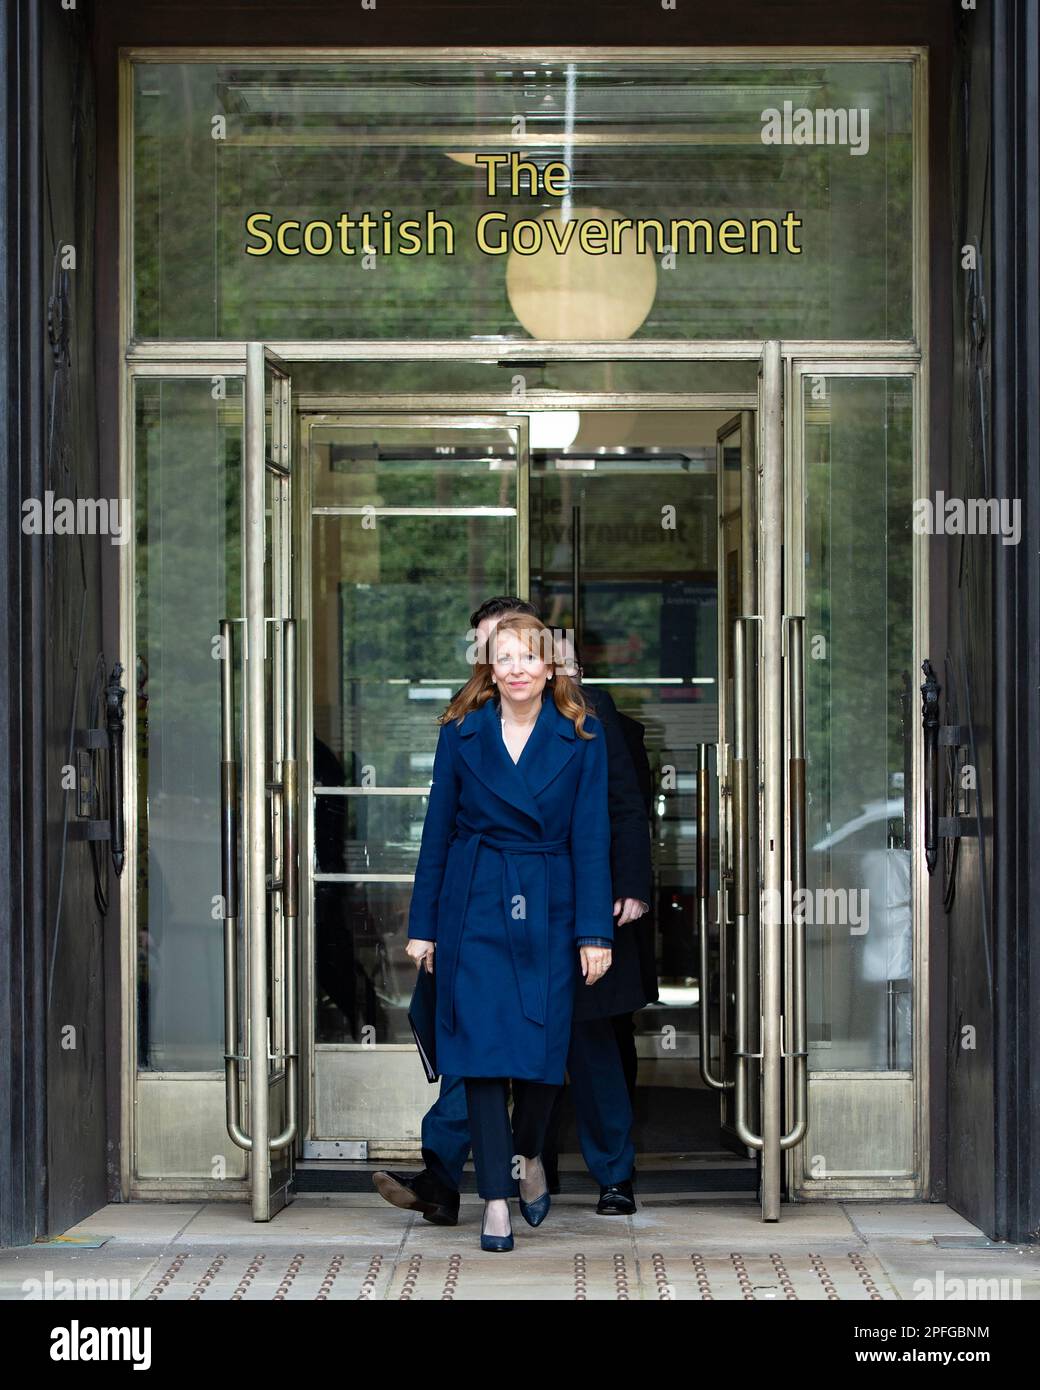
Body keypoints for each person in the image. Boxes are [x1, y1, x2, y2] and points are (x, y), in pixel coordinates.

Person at [373, 597, 651, 1220]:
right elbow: (440, 828)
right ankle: (457, 1177)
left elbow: (619, 810)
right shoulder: (467, 721)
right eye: (493, 652)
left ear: (545, 653)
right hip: (486, 905)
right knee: (479, 1048)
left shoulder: (584, 715)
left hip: (568, 903)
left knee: (580, 1048)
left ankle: (609, 1173)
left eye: (518, 648)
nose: (507, 662)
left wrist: (616, 901)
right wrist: (427, 927)